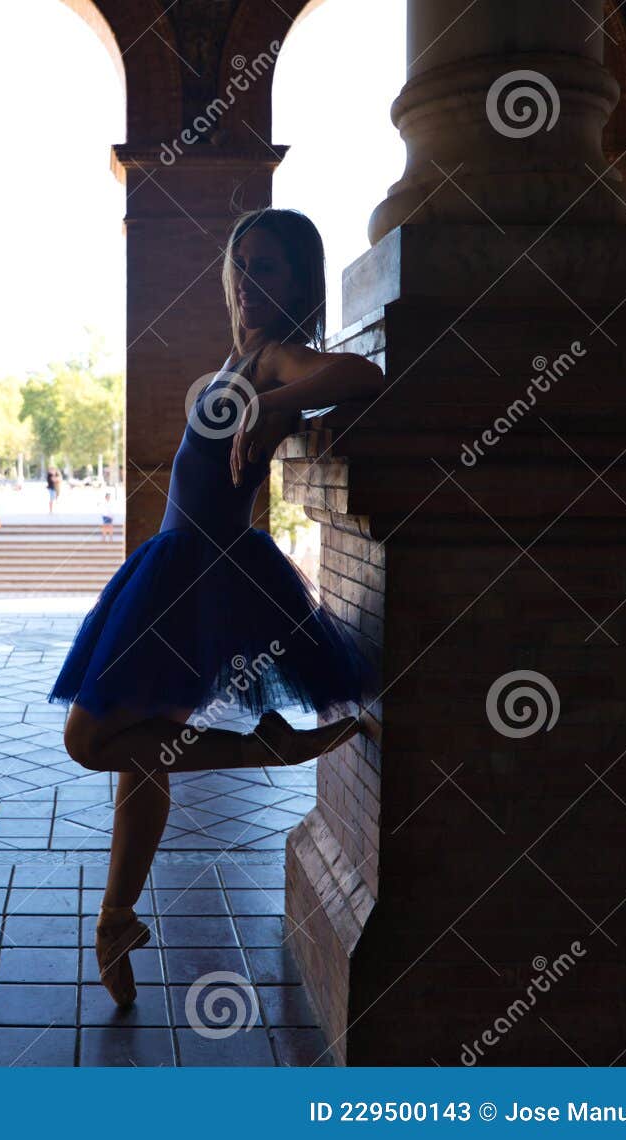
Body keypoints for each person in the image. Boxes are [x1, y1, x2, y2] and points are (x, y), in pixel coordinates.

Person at [52, 208, 384, 1008]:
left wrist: (275, 406)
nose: (246, 281)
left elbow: (362, 378)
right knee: (141, 751)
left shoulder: (272, 360)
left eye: (266, 267)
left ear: (298, 281)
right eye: (239, 265)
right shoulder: (228, 366)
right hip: (170, 572)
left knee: (90, 738)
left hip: (204, 581)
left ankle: (267, 752)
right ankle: (116, 918)